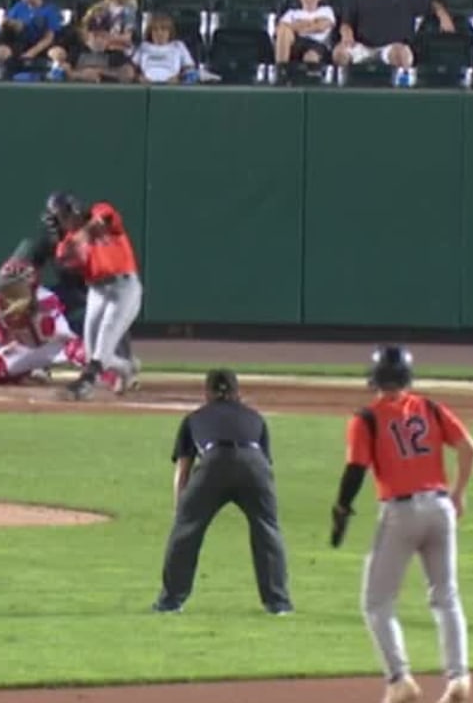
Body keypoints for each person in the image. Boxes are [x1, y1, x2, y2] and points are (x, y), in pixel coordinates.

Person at [330, 345, 473, 703]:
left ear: (376, 379)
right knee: (446, 597)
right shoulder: (429, 408)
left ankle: (399, 679)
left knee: (376, 603)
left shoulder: (367, 418)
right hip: (441, 508)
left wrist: (341, 508)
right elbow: (468, 448)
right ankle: (458, 676)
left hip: (400, 512)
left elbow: (355, 470)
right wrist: (459, 492)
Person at [153, 369, 293, 616]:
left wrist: (180, 510)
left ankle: (170, 601)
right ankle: (278, 603)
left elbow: (183, 470)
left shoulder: (194, 418)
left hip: (214, 464)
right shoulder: (256, 418)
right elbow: (265, 465)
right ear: (238, 393)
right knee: (267, 530)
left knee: (186, 532)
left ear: (206, 393)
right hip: (255, 465)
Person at [53, 195, 142, 399]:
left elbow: (103, 219)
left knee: (105, 338)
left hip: (123, 288)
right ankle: (127, 368)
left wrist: (83, 236)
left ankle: (85, 385)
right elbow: (64, 258)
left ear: (73, 211)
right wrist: (72, 250)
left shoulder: (98, 211)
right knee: (93, 352)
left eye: (62, 216)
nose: (62, 222)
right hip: (97, 292)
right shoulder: (68, 243)